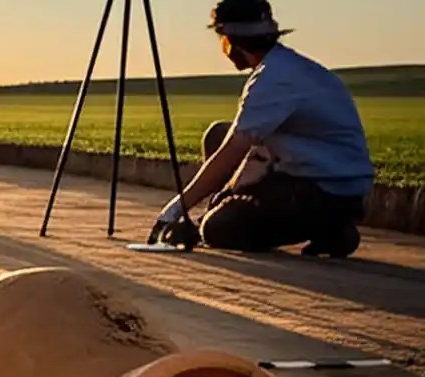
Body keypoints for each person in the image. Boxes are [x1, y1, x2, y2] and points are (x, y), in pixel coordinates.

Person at [155, 0, 374, 258]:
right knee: (219, 134)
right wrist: (226, 194)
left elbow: (233, 153)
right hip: (322, 176)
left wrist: (174, 209)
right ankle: (327, 225)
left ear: (234, 42)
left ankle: (331, 228)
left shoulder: (273, 79)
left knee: (218, 229)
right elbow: (245, 147)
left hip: (324, 189)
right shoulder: (288, 67)